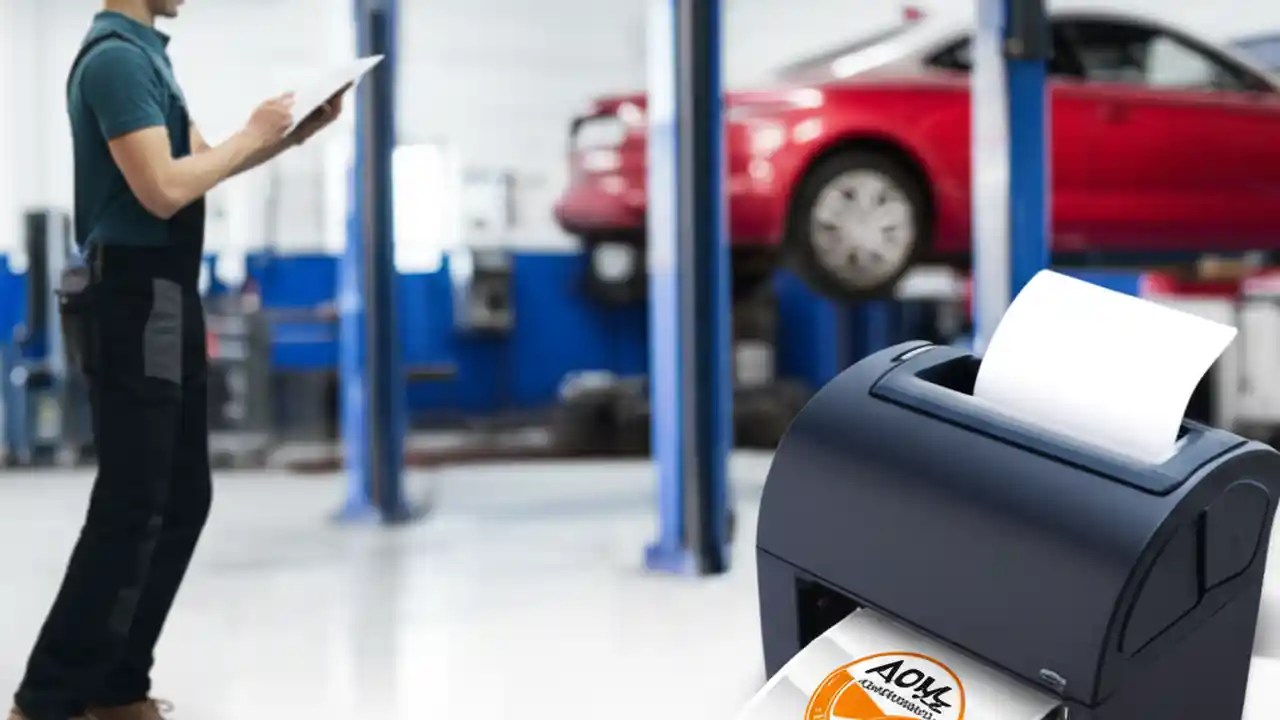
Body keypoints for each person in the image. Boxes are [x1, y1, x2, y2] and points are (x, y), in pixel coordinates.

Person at [9, 1, 347, 719]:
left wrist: (287, 136)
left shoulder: (148, 54)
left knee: (181, 495)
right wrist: (254, 132)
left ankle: (116, 685)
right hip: (133, 293)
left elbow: (196, 167)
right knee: (132, 501)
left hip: (165, 287)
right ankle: (48, 698)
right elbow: (161, 189)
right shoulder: (115, 61)